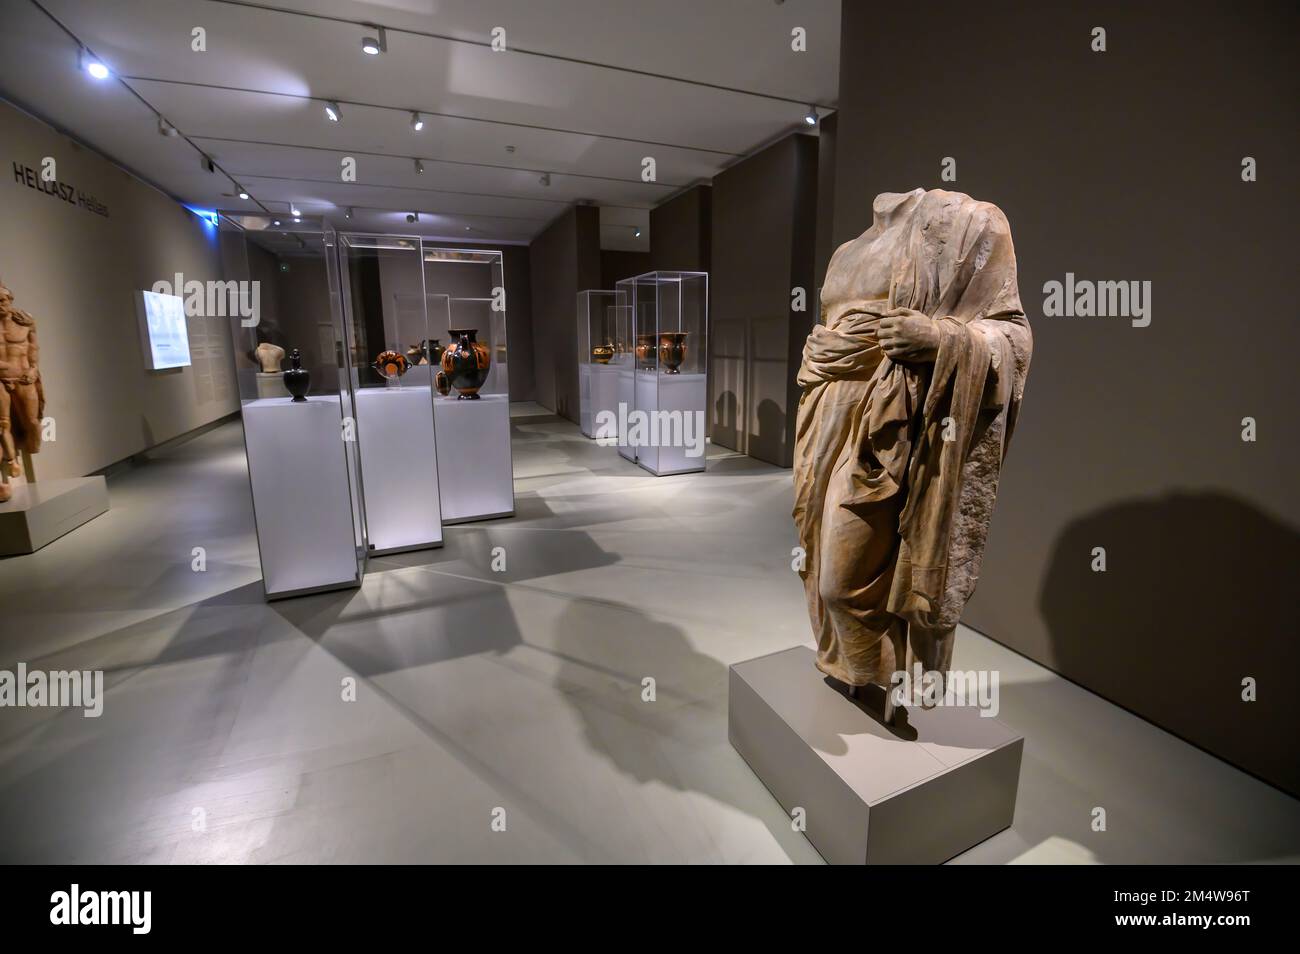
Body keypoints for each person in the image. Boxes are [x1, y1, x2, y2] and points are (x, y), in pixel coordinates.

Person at [792, 189, 1032, 717]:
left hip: (892, 422)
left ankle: (896, 681)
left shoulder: (965, 223)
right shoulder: (846, 251)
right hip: (824, 412)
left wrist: (938, 337)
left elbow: (1011, 335)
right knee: (815, 558)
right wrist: (819, 349)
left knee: (842, 579)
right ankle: (859, 677)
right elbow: (837, 323)